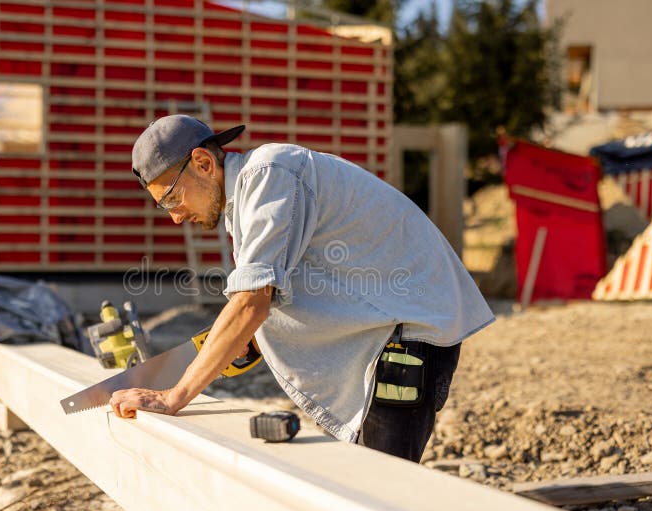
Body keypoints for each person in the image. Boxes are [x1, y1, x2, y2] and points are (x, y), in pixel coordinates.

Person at [110, 114, 494, 461]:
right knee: (369, 484)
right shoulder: (249, 198)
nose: (176, 217)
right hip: (394, 334)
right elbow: (296, 285)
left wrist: (173, 395)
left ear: (204, 163)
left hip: (410, 338)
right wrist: (250, 339)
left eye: (173, 198)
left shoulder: (268, 175)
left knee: (383, 490)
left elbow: (251, 303)